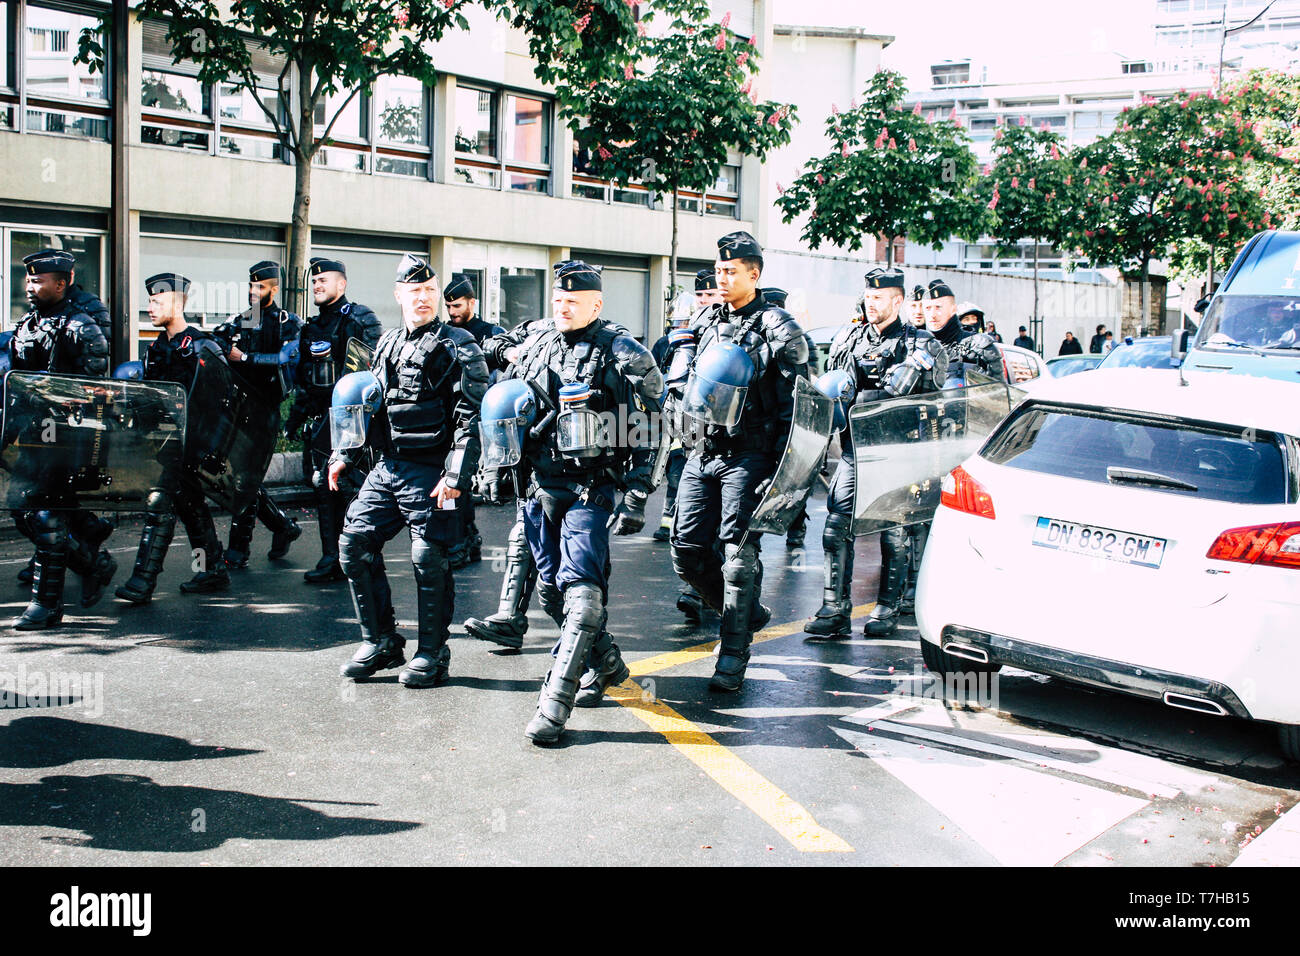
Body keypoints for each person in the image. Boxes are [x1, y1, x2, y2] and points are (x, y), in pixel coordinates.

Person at [485, 259, 662, 744]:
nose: (563, 307)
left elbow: (651, 425)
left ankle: (553, 706)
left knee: (582, 600)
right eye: (558, 300)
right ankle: (608, 667)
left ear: (596, 304)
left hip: (591, 489)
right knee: (552, 595)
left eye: (573, 301)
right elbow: (508, 402)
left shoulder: (622, 352)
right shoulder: (536, 343)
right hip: (541, 488)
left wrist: (638, 493)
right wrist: (497, 468)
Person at [331, 253, 489, 688]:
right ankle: (381, 641)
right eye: (415, 291)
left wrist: (456, 474)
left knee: (428, 558)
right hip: (388, 467)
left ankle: (433, 654)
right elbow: (367, 405)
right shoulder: (386, 344)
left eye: (430, 291)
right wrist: (344, 452)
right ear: (399, 295)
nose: (423, 298)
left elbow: (471, 415)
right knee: (354, 545)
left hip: (432, 469)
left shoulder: (459, 345)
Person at [667, 231, 810, 692]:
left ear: (755, 274)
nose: (722, 278)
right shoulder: (706, 320)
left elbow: (800, 404)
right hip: (703, 449)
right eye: (720, 270)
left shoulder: (777, 325)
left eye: (732, 272)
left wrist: (784, 471)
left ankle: (733, 652)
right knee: (686, 550)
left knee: (737, 555)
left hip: (750, 453)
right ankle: (747, 614)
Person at [805, 267, 948, 640]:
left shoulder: (919, 344)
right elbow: (830, 393)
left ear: (898, 301)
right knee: (836, 527)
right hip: (855, 451)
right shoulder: (849, 338)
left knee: (894, 534)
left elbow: (920, 396)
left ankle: (886, 608)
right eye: (868, 296)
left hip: (898, 453)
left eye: (879, 297)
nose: (872, 303)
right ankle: (834, 609)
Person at [7, 249, 114, 628]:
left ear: (62, 282)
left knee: (47, 514)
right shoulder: (26, 325)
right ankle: (94, 562)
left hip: (69, 437)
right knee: (22, 510)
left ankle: (48, 605)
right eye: (29, 279)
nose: (30, 286)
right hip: (35, 435)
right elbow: (17, 383)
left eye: (38, 280)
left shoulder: (81, 326)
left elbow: (95, 390)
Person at [116, 274, 236, 604]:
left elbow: (225, 403)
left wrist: (214, 450)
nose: (150, 307)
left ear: (178, 304)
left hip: (194, 445)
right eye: (150, 301)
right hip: (167, 446)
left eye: (158, 301)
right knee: (191, 508)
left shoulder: (202, 346)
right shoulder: (156, 348)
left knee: (161, 506)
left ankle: (143, 581)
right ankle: (211, 569)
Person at [284, 257, 384, 584]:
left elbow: (372, 370)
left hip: (351, 423)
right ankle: (333, 558)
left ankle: (360, 554)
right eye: (314, 282)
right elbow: (306, 380)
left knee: (352, 490)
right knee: (323, 490)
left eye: (323, 281)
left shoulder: (360, 318)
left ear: (341, 284)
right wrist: (295, 418)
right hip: (321, 422)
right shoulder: (311, 328)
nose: (317, 286)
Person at [212, 261, 303, 570]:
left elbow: (287, 357)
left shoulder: (288, 322)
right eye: (251, 286)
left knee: (244, 479)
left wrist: (247, 357)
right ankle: (284, 528)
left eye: (260, 287)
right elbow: (216, 341)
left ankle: (238, 551)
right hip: (238, 408)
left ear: (273, 289)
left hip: (266, 409)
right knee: (243, 478)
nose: (254, 292)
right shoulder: (240, 320)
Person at [442, 272, 503, 570]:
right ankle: (467, 538)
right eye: (449, 307)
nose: (453, 312)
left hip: (480, 421)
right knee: (456, 481)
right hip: (452, 418)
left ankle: (460, 543)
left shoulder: (491, 332)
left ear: (472, 303)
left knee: (459, 480)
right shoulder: (444, 334)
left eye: (458, 306)